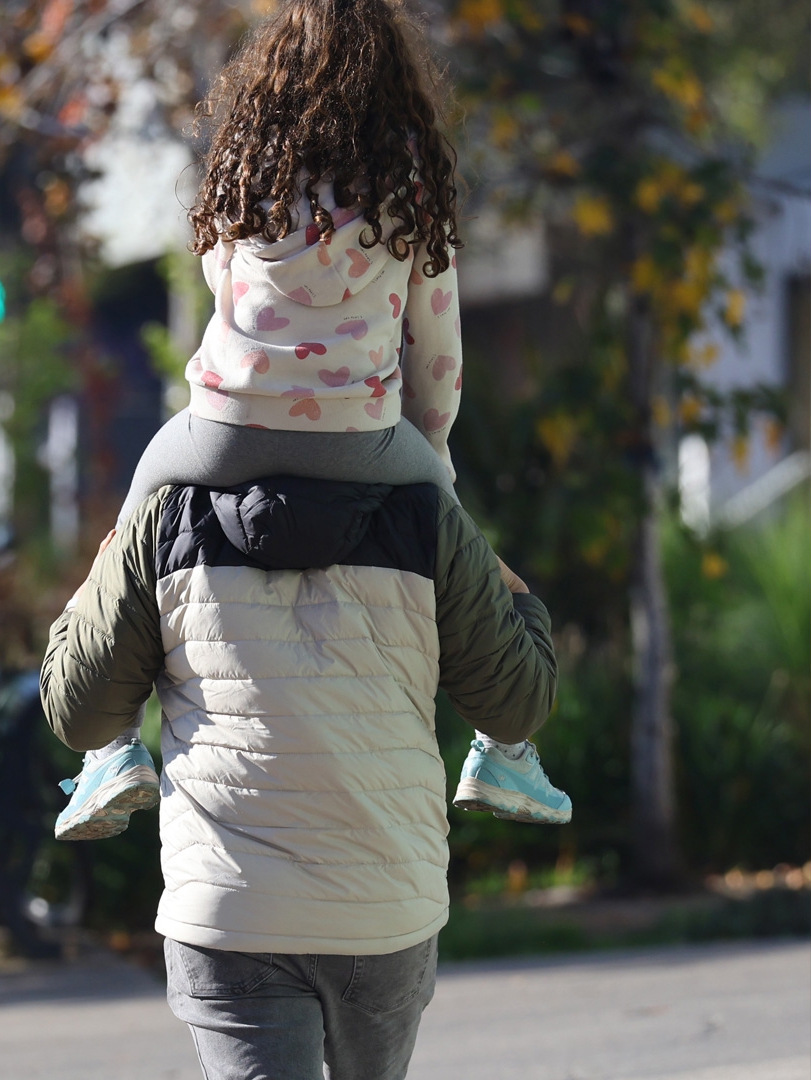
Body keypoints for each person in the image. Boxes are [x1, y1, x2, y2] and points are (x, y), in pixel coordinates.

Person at [53, 0, 569, 843]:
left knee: (129, 533)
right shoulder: (405, 180)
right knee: (466, 555)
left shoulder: (247, 167)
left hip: (222, 430)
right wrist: (428, 461)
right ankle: (505, 747)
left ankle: (110, 748)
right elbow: (436, 356)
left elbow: (224, 296)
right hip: (361, 436)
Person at [41, 472, 558, 1078]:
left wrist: (88, 594)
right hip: (385, 900)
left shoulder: (166, 517)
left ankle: (116, 763)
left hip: (230, 906)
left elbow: (78, 712)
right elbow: (516, 705)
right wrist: (516, 593)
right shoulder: (428, 514)